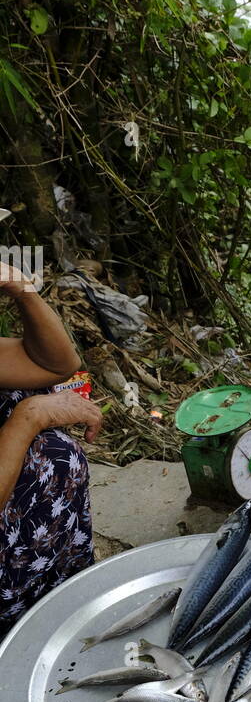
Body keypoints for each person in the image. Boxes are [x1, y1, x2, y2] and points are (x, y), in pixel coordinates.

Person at [0, 263, 102, 635]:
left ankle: (62, 599)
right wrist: (28, 418)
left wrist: (22, 290)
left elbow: (57, 364)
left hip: (45, 555)